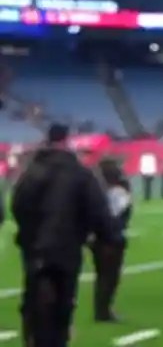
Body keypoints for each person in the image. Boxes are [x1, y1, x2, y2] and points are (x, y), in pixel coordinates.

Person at [12, 124, 117, 347]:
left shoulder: (32, 172)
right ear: (67, 140)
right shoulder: (80, 173)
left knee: (33, 297)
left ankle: (31, 337)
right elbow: (98, 210)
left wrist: (28, 234)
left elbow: (18, 205)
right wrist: (103, 235)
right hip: (67, 248)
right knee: (62, 303)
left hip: (35, 248)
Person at [91, 158, 132, 323]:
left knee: (101, 275)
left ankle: (101, 309)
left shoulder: (95, 189)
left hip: (97, 238)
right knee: (110, 276)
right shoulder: (119, 192)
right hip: (112, 238)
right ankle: (104, 310)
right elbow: (118, 214)